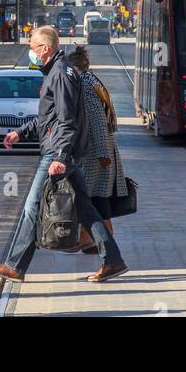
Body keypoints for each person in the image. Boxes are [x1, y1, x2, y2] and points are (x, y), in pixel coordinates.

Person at [0, 26, 126, 284]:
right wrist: (20, 132)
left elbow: (66, 120)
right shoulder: (56, 72)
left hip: (58, 154)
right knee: (86, 209)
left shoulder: (60, 74)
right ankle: (113, 260)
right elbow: (47, 117)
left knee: (32, 207)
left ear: (45, 49)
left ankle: (15, 265)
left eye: (32, 47)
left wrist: (60, 156)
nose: (30, 52)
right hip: (63, 151)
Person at [67, 46, 127, 253]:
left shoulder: (85, 85)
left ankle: (101, 240)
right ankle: (91, 239)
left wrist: (103, 154)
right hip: (98, 150)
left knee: (93, 196)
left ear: (74, 68)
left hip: (95, 152)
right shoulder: (92, 80)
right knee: (93, 196)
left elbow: (98, 122)